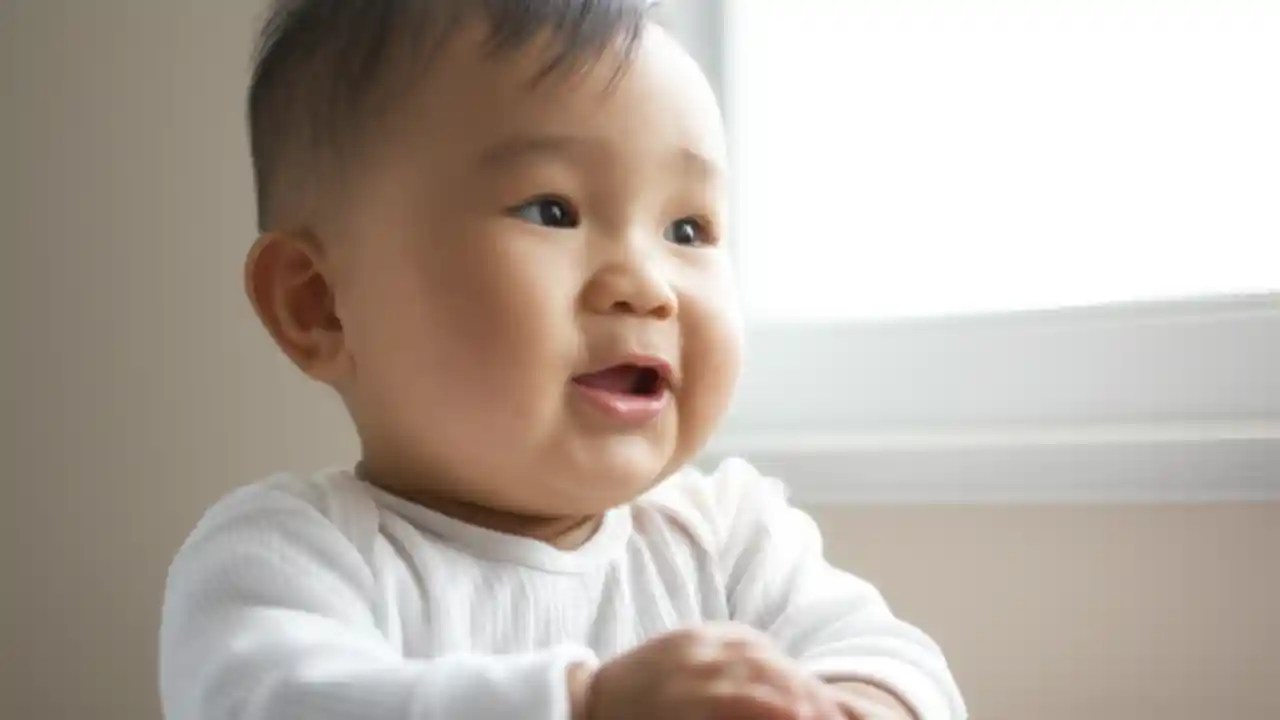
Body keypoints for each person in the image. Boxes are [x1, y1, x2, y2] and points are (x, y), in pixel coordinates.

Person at [159, 2, 967, 718]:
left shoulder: (728, 539)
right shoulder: (291, 556)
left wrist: (854, 704)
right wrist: (583, 705)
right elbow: (263, 700)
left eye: (687, 230)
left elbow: (898, 660)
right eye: (553, 210)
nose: (647, 286)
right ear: (321, 305)